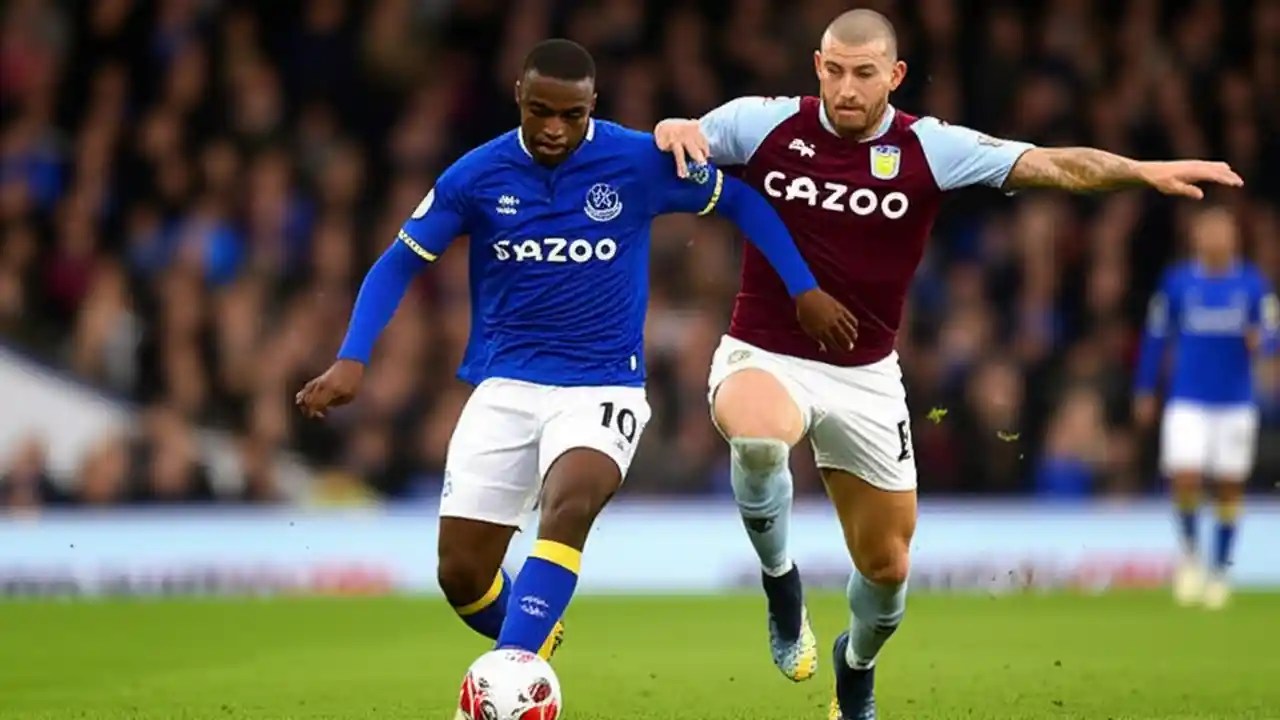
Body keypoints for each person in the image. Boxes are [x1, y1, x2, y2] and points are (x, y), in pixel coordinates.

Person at [653, 9, 1243, 719]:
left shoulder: (928, 147)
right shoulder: (761, 123)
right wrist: (673, 127)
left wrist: (1139, 171)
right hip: (765, 352)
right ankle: (782, 585)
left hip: (866, 376)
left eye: (863, 73)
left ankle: (855, 664)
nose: (846, 87)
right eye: (834, 71)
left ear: (895, 75)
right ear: (817, 67)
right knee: (756, 436)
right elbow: (674, 144)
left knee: (888, 573)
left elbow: (1051, 164)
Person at [295, 39, 855, 662]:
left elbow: (742, 201)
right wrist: (353, 357)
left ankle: (512, 670)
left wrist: (803, 289)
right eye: (540, 111)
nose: (555, 129)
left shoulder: (637, 161)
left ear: (593, 105)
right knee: (461, 574)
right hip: (507, 386)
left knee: (568, 506)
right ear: (519, 97)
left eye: (572, 114)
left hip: (603, 386)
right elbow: (399, 262)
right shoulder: (476, 176)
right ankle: (531, 632)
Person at [1134, 204, 1276, 611]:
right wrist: (1145, 388)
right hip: (1187, 398)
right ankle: (1192, 555)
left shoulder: (1253, 284)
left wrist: (1263, 343)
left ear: (1235, 238)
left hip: (1235, 401)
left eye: (1222, 231)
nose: (1215, 238)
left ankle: (1220, 569)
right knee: (1185, 476)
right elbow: (1156, 337)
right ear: (1195, 238)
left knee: (1229, 485)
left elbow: (1272, 332)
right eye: (1208, 231)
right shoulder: (1177, 283)